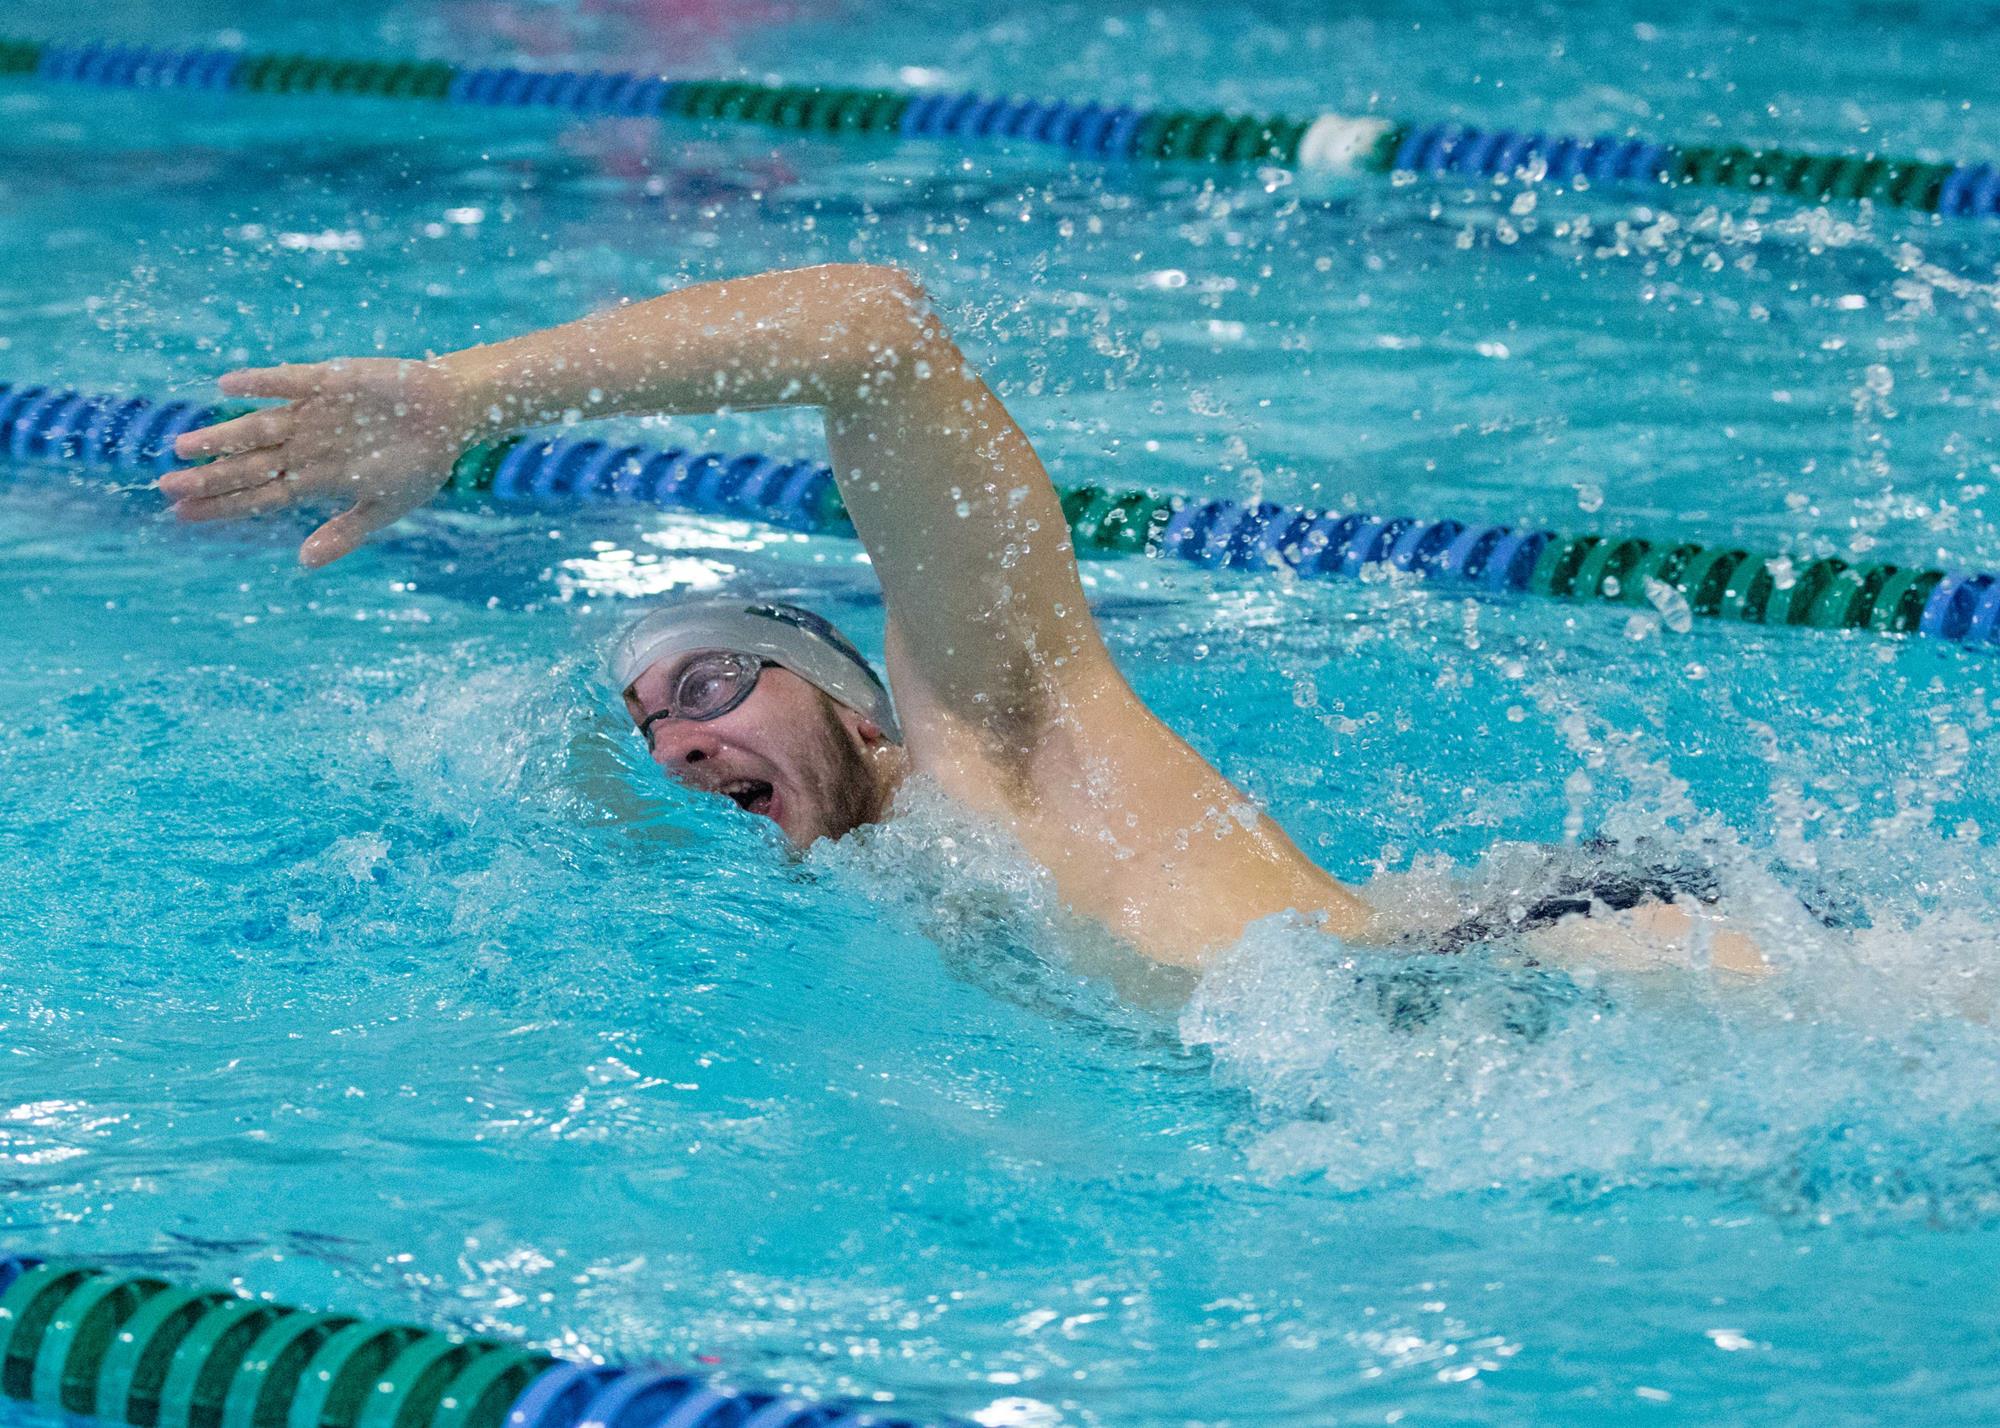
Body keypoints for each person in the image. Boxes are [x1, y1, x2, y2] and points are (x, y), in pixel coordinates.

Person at [160, 263, 1764, 973]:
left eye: (710, 685)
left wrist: (466, 398)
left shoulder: (989, 741)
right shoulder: (909, 884)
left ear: (858, 702)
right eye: (653, 730)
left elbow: (874, 329)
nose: (680, 743)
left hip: (1573, 981)